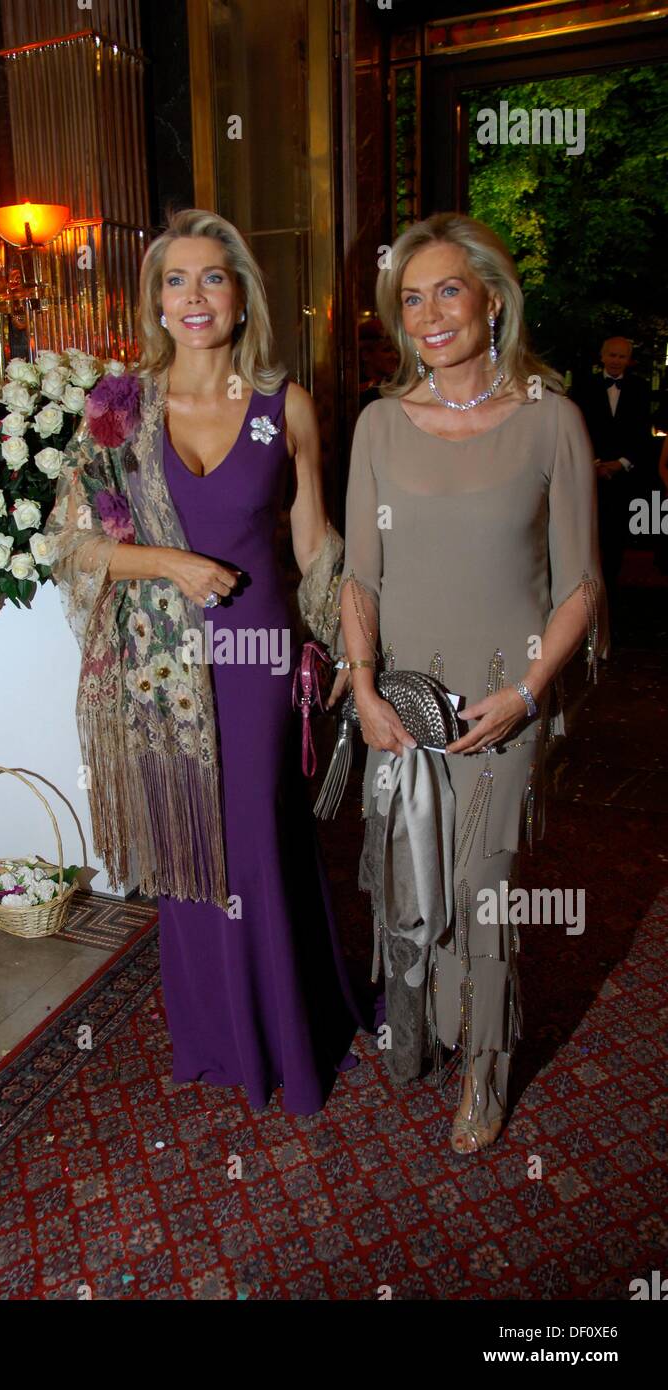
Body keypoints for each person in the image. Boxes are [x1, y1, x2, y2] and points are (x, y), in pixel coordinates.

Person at [45, 208, 368, 1116]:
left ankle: (288, 1034)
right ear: (156, 301)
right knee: (186, 841)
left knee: (258, 839)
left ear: (240, 296)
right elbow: (71, 545)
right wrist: (169, 563)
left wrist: (352, 638)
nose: (194, 297)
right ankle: (216, 1034)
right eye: (175, 281)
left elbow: (312, 540)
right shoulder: (116, 407)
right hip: (156, 663)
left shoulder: (283, 405)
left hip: (258, 653)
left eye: (211, 279)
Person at [338, 212, 606, 1152]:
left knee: (483, 885)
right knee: (412, 878)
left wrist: (530, 693)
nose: (429, 315)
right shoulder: (377, 423)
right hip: (401, 704)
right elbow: (359, 578)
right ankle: (427, 1029)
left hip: (504, 701)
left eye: (448, 290)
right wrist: (363, 689)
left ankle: (483, 1069)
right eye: (410, 300)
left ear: (491, 297)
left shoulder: (551, 422)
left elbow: (578, 585)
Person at [572, 335, 653, 623]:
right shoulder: (583, 388)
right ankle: (583, 596)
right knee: (587, 536)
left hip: (623, 478)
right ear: (602, 356)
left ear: (628, 360)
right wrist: (593, 464)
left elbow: (642, 434)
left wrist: (620, 464)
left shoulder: (641, 390)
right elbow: (577, 430)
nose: (617, 361)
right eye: (613, 355)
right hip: (589, 477)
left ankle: (611, 599)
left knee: (616, 540)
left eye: (622, 356)